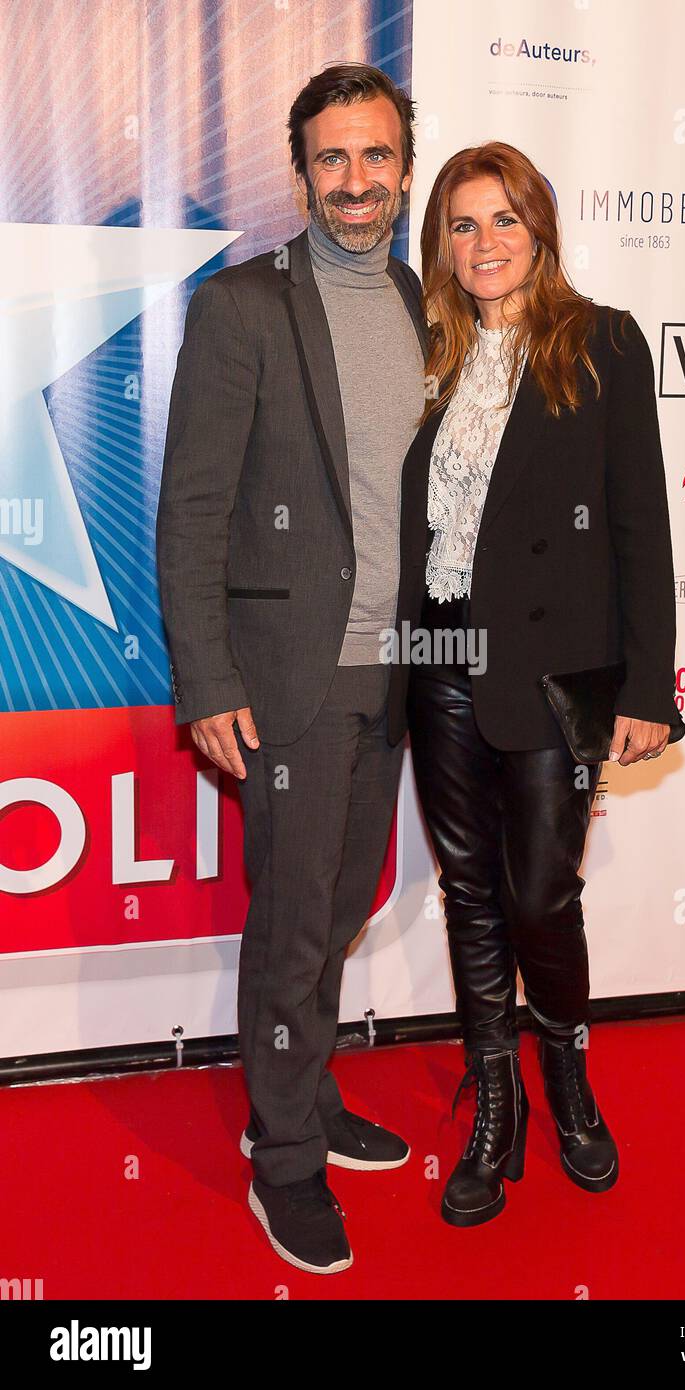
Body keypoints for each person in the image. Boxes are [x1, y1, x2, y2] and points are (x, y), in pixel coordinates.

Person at [156, 64, 428, 1275]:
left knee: (339, 908)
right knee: (289, 930)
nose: (356, 181)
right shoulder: (243, 307)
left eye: (375, 156)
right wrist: (209, 677)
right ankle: (284, 1163)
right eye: (332, 158)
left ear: (405, 167)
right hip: (285, 676)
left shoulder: (426, 297)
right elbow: (194, 506)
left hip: (398, 669)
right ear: (301, 170)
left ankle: (306, 1099)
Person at [386, 142, 683, 1227]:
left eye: (502, 219)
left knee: (537, 896)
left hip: (556, 671)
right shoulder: (424, 352)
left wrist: (644, 684)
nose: (484, 243)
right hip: (440, 663)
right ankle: (493, 1103)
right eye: (461, 225)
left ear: (539, 228)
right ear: (441, 246)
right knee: (468, 893)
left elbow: (642, 524)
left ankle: (564, 1066)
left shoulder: (598, 341)